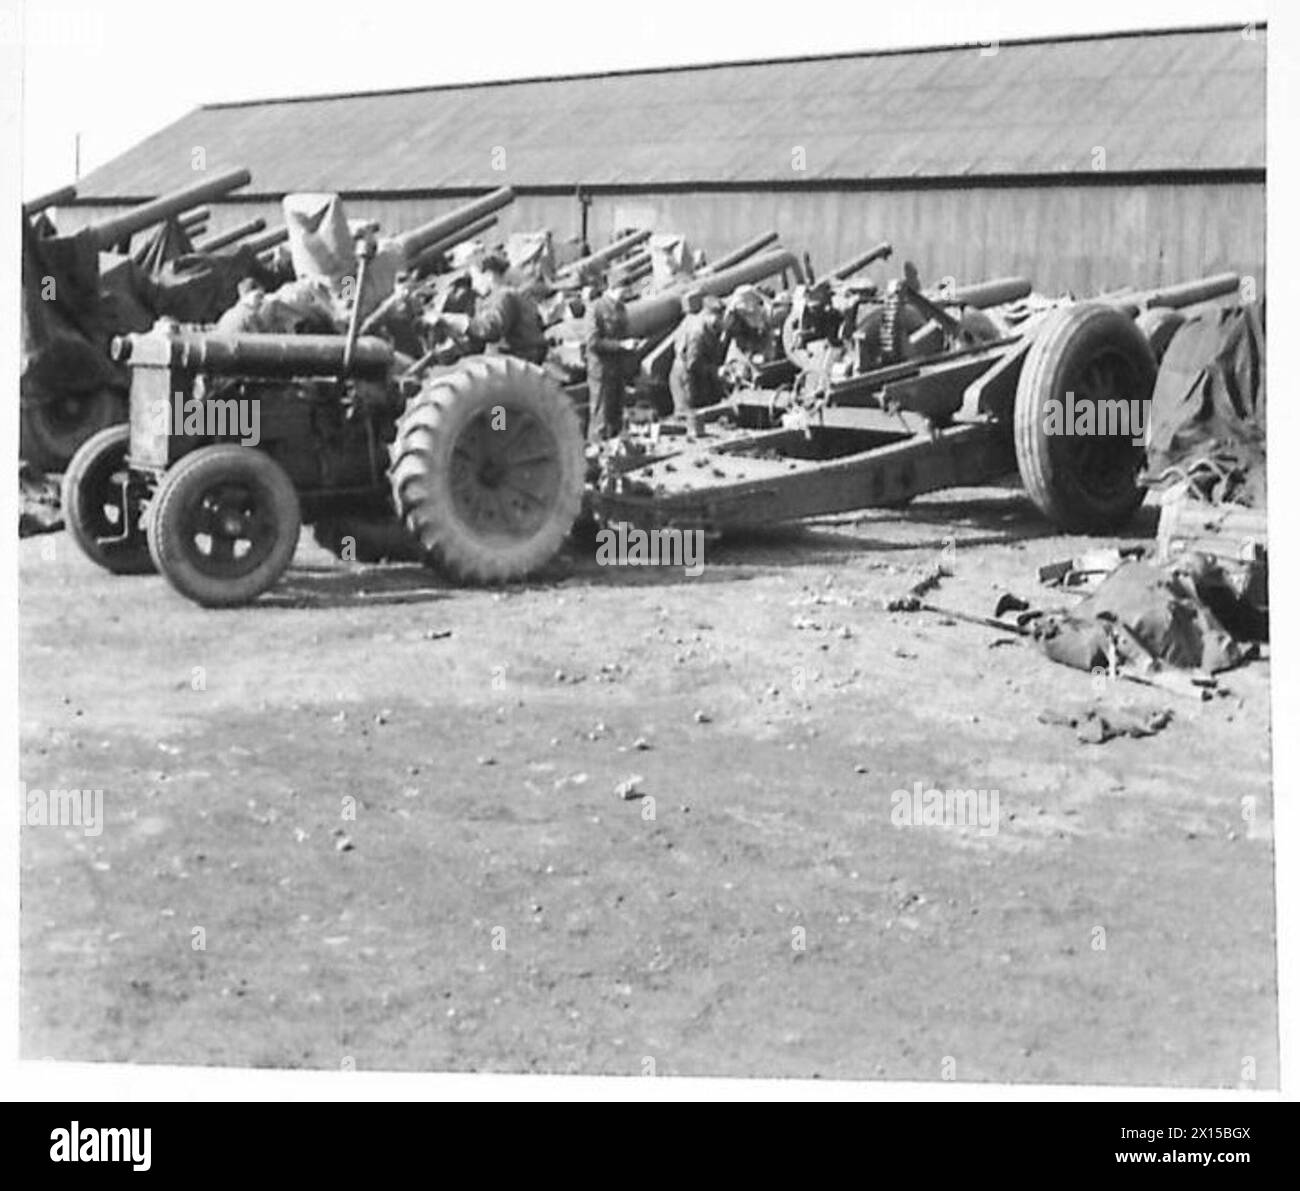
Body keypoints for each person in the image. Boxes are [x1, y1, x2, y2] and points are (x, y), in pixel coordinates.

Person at [464, 252, 549, 364]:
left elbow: (491, 330)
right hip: (524, 355)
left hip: (522, 358)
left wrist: (462, 323)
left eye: (474, 277)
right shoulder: (505, 295)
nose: (473, 285)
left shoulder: (503, 296)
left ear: (489, 274)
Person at [583, 277, 638, 444]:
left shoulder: (621, 308)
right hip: (602, 370)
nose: (627, 293)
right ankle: (596, 450)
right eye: (625, 289)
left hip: (617, 368)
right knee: (601, 414)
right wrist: (621, 345)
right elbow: (592, 342)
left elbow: (624, 332)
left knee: (616, 414)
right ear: (615, 287)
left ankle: (615, 451)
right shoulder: (596, 309)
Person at [668, 295, 727, 434]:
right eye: (718, 318)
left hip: (691, 374)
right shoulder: (698, 333)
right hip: (686, 378)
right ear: (709, 316)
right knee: (688, 419)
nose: (720, 322)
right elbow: (692, 364)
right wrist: (716, 371)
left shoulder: (696, 321)